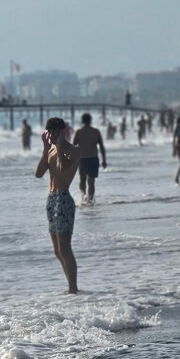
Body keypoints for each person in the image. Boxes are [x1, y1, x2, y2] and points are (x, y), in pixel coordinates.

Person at [35, 117, 80, 294]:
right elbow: (38, 173)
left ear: (63, 132)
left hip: (63, 199)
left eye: (56, 132)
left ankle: (73, 289)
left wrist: (60, 146)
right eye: (50, 132)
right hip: (51, 199)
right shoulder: (51, 150)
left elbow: (63, 168)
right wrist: (46, 149)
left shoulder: (73, 150)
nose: (52, 135)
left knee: (65, 247)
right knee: (57, 250)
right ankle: (71, 285)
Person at [73, 113, 107, 202]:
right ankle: (90, 200)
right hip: (93, 158)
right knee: (91, 181)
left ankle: (82, 198)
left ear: (82, 121)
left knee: (82, 179)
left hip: (82, 159)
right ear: (90, 120)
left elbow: (73, 147)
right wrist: (104, 160)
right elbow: (101, 146)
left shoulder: (78, 132)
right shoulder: (96, 131)